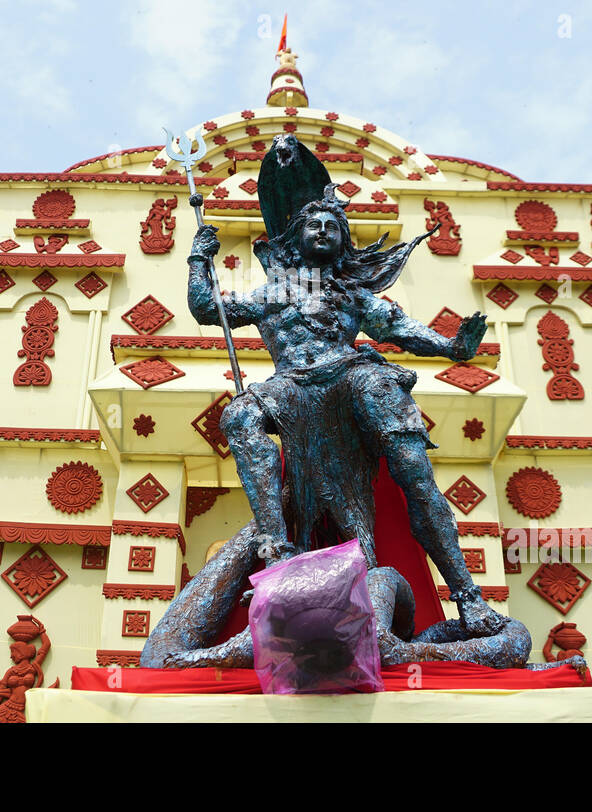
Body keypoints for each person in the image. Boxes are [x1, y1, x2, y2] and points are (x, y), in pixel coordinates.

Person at [187, 138, 499, 636]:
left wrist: (453, 348)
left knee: (411, 465)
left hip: (349, 375)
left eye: (335, 227)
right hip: (290, 387)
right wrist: (198, 260)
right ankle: (276, 548)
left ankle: (467, 593)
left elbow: (399, 328)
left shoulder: (351, 294)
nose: (325, 232)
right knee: (239, 415)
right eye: (315, 224)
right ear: (295, 236)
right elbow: (208, 311)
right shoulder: (273, 291)